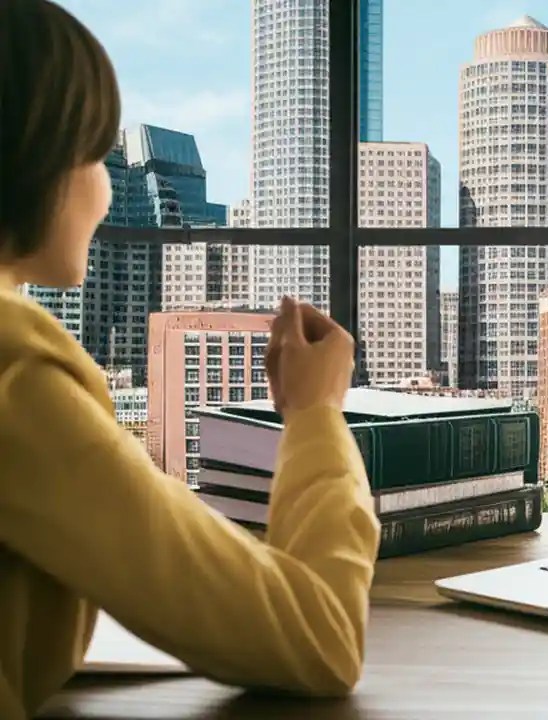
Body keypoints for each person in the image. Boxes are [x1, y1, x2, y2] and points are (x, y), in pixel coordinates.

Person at [0, 1, 380, 716]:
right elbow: (321, 637)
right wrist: (316, 417)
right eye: (93, 153)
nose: (107, 187)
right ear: (33, 156)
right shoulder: (17, 379)